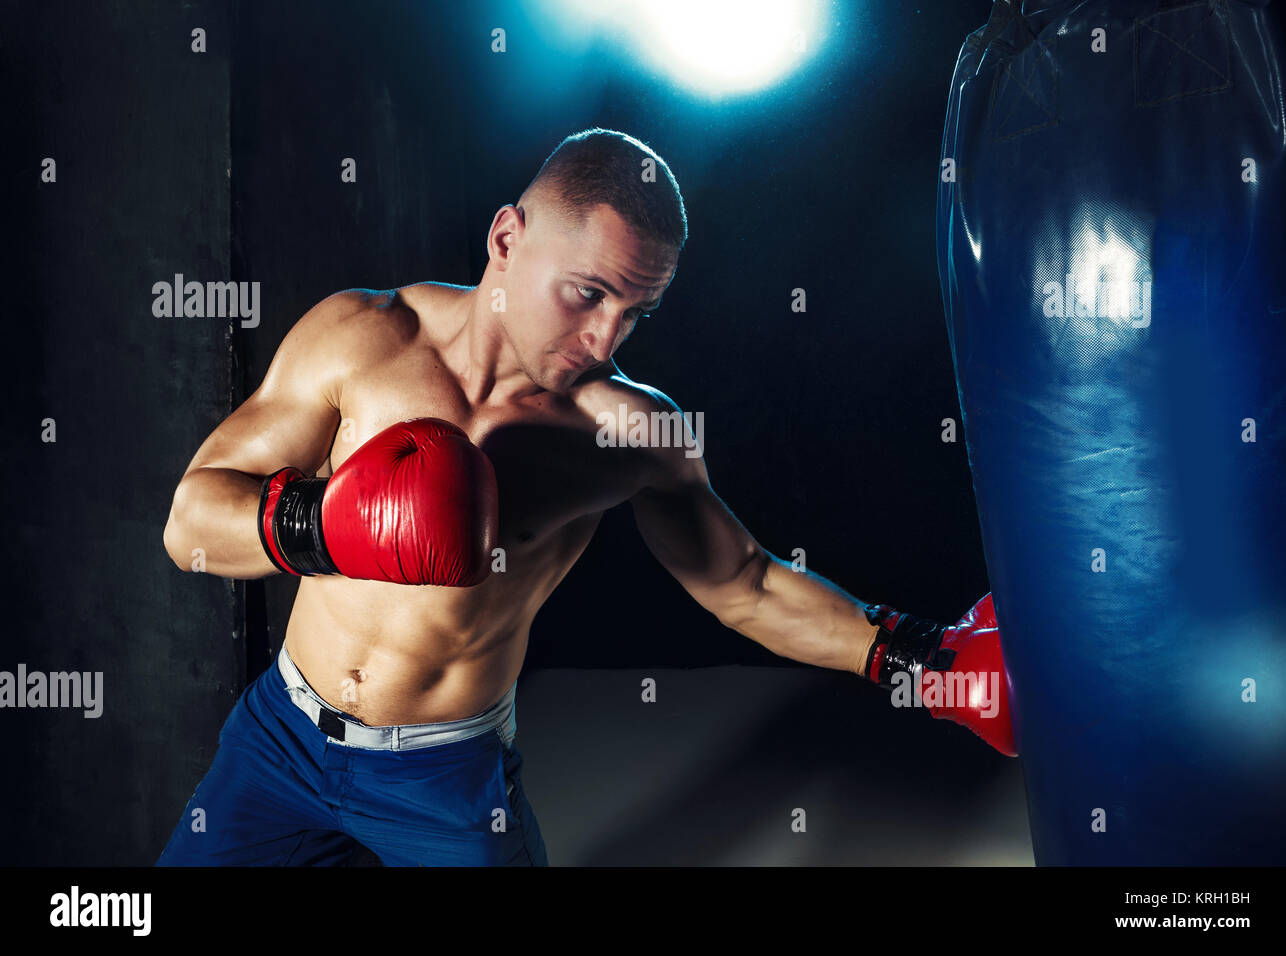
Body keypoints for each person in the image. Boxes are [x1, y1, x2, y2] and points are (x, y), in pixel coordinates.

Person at [157, 128, 1012, 867]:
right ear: (506, 239)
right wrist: (327, 525)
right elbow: (190, 521)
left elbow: (744, 584)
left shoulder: (631, 432)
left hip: (445, 777)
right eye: (589, 294)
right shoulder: (362, 338)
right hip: (281, 740)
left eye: (638, 312)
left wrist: (915, 661)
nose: (606, 337)